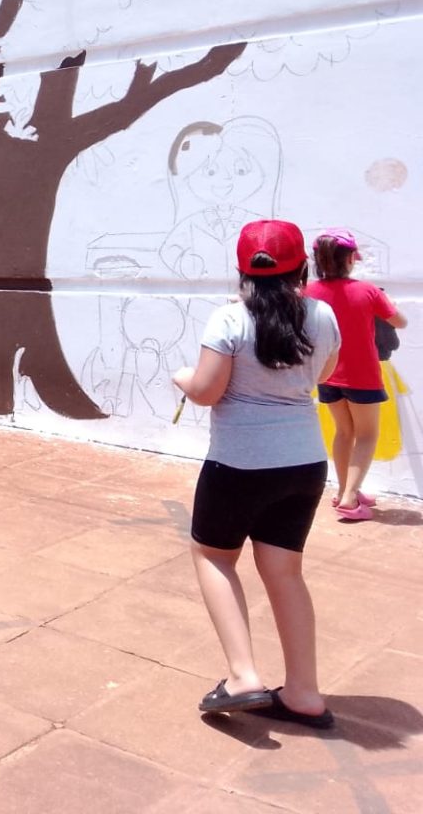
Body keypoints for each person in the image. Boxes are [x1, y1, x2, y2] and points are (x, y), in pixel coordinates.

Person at [172, 219, 340, 729]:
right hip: (304, 462)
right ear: (302, 268)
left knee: (214, 556)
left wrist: (180, 375)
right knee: (285, 572)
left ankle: (243, 677)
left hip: (240, 464)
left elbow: (206, 390)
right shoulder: (322, 315)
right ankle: (305, 694)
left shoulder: (228, 319)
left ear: (242, 270)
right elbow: (325, 375)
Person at [304, 227, 407, 521]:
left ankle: (345, 489)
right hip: (362, 376)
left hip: (327, 375)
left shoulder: (309, 291)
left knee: (343, 432)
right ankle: (349, 500)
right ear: (350, 259)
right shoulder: (367, 291)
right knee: (366, 435)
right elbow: (399, 322)